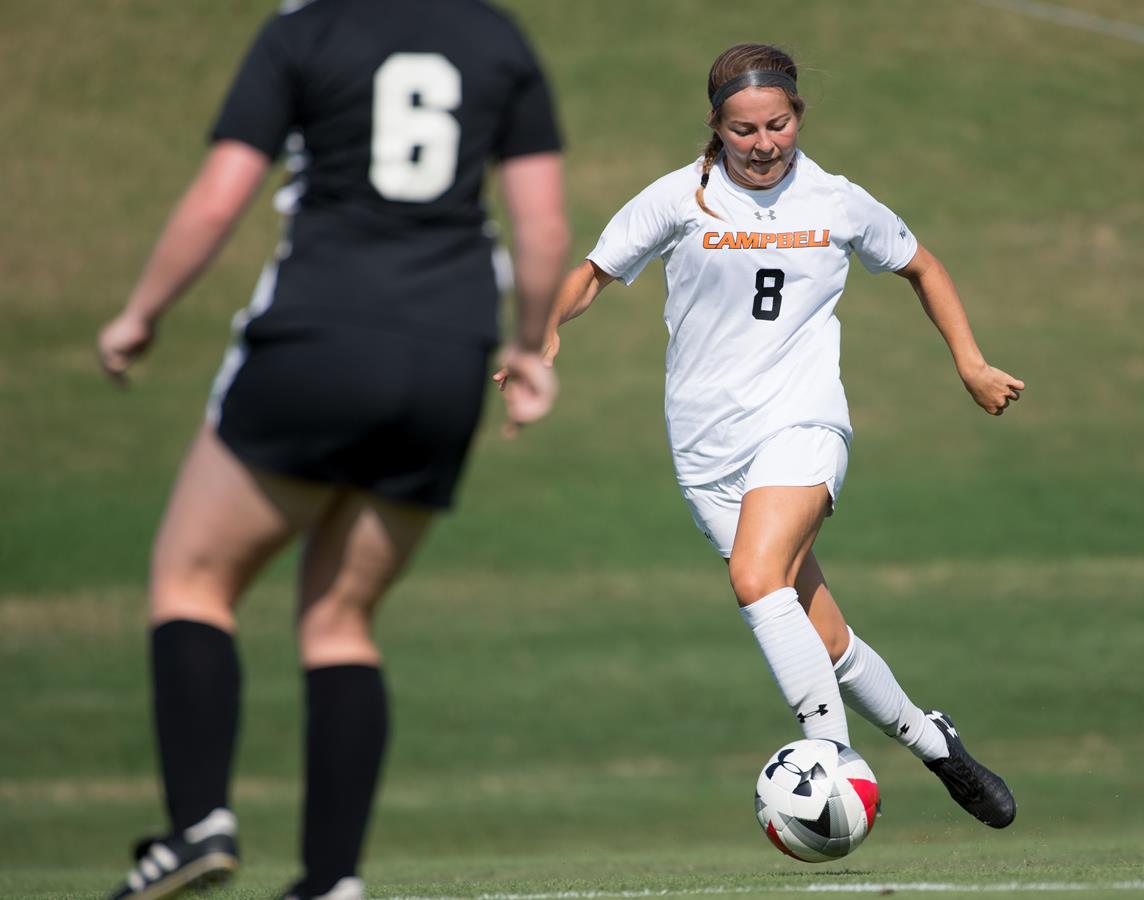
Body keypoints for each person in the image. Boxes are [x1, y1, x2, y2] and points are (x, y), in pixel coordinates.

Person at [96, 1, 567, 897]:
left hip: (319, 336)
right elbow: (541, 223)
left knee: (192, 579)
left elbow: (219, 195)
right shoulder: (497, 37)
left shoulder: (303, 31)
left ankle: (196, 823)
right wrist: (527, 344)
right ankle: (332, 879)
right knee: (341, 620)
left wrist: (139, 315)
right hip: (446, 355)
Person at [496, 43, 1023, 829]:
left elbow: (924, 266)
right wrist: (543, 329)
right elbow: (593, 273)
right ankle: (931, 739)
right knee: (823, 634)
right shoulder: (679, 198)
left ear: (798, 117)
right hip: (706, 449)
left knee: (754, 578)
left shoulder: (838, 201)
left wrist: (971, 364)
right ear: (716, 126)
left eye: (777, 124)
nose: (764, 143)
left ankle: (831, 761)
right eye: (744, 130)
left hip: (801, 422)